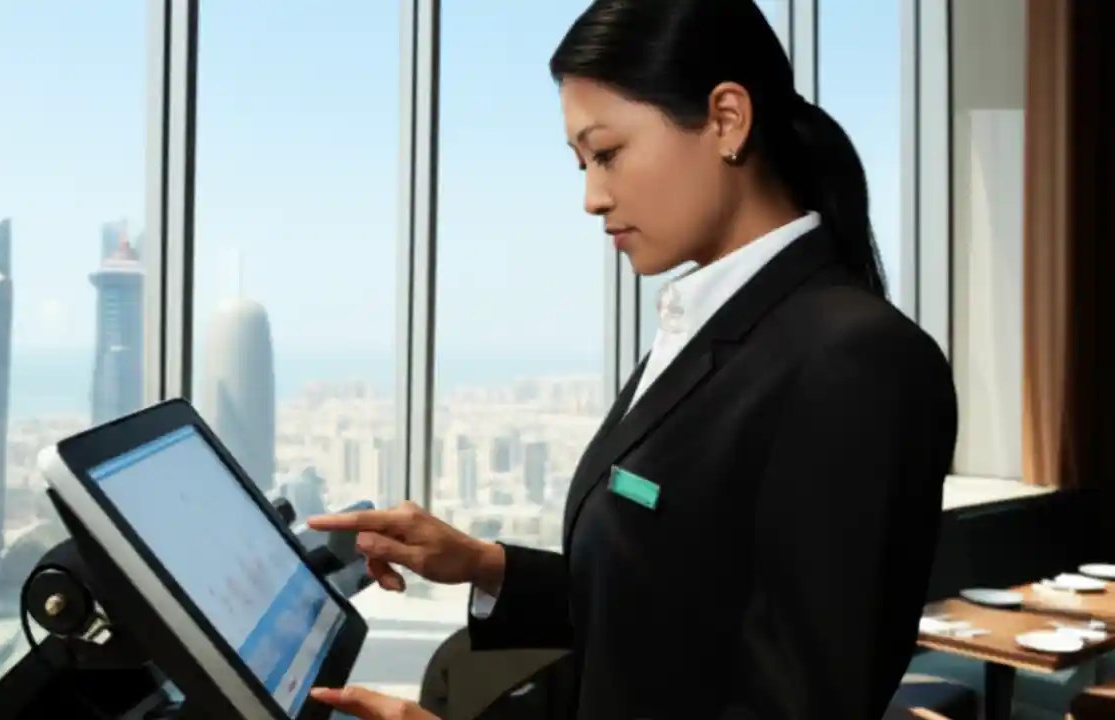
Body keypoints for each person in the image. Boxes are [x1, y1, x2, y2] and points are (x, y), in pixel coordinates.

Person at [307, 0, 958, 717]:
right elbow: (675, 617)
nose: (591, 197)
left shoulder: (855, 362)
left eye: (608, 153)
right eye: (581, 162)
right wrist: (484, 566)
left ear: (726, 120)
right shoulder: (712, 324)